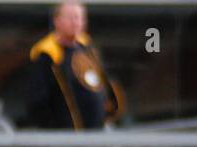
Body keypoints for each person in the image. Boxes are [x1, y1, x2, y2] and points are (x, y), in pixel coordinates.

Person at [25, 2, 124, 131]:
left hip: (99, 132)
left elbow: (102, 82)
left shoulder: (87, 47)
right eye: (71, 17)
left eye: (80, 18)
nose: (76, 22)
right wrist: (53, 131)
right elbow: (37, 101)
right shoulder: (47, 55)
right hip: (66, 138)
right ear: (57, 20)